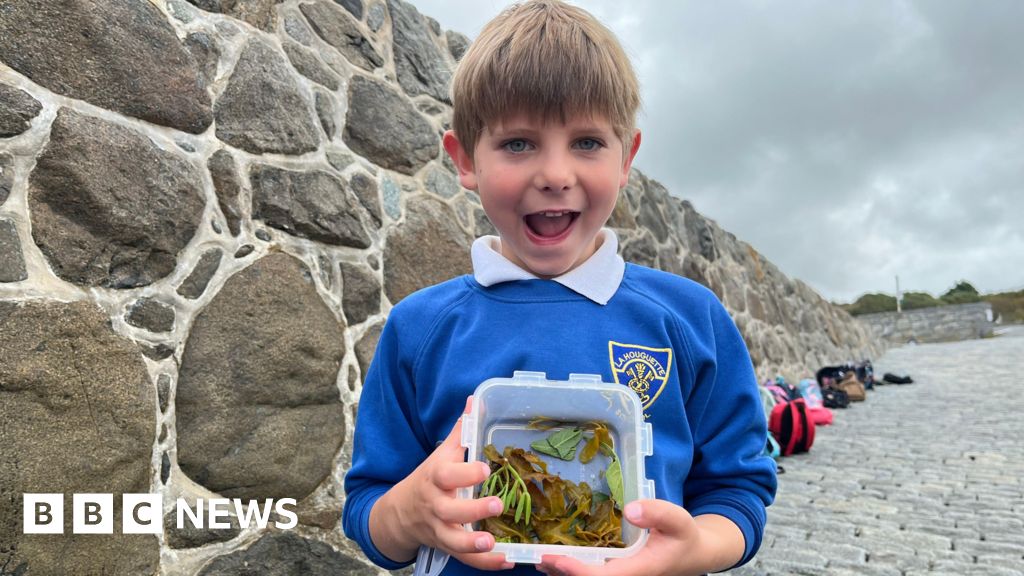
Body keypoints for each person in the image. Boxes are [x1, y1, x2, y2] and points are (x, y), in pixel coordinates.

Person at [342, 1, 777, 574]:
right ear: (465, 160)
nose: (554, 174)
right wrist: (407, 514)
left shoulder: (689, 318)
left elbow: (738, 492)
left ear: (628, 158)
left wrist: (693, 548)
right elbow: (368, 508)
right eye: (518, 144)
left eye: (588, 143)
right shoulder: (419, 328)